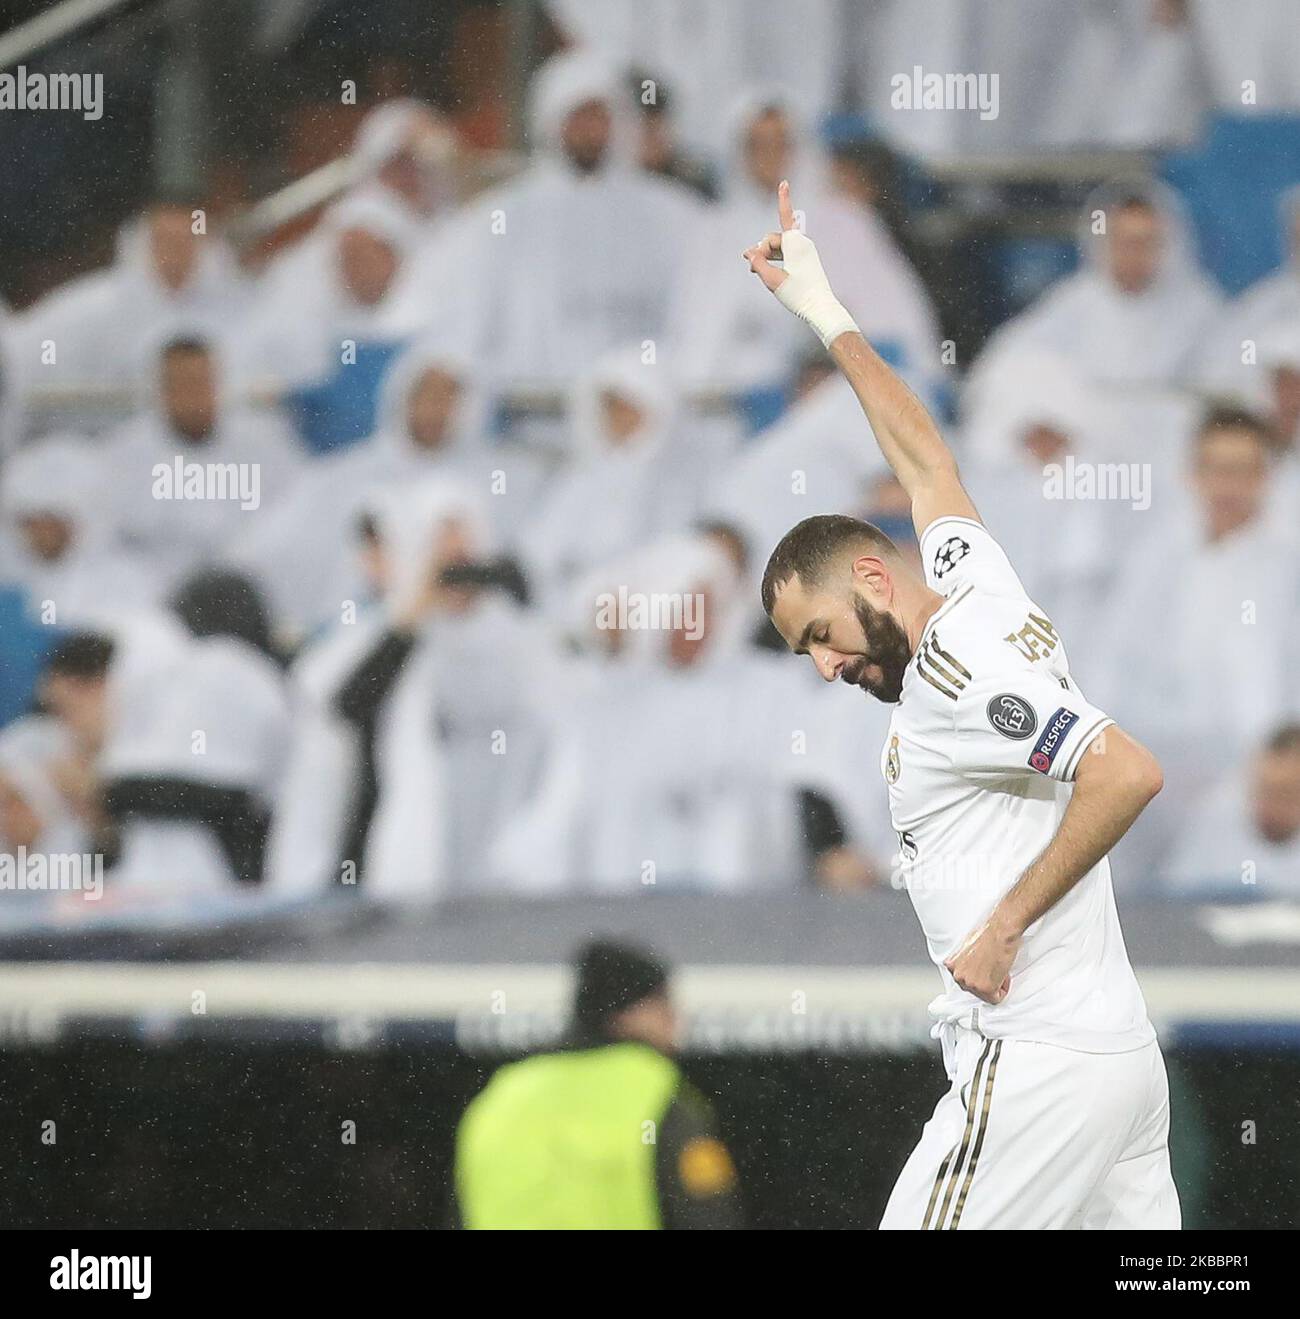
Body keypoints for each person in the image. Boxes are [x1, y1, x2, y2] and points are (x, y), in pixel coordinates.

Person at [745, 182, 1178, 1228]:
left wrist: (1002, 928)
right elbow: (925, 456)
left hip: (1034, 1064)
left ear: (873, 583)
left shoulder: (952, 675)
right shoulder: (972, 578)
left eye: (819, 635)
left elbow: (1127, 769)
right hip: (1115, 1061)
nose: (822, 667)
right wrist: (826, 311)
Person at [454, 938, 741, 1229]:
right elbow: (706, 1212)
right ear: (626, 1012)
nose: (676, 1021)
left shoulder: (501, 1095)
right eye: (663, 1004)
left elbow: (459, 1208)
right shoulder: (655, 1090)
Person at [1163, 723, 1300, 901]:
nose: (1269, 806)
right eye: (1263, 791)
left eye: (1285, 794)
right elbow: (1178, 894)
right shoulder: (1217, 814)